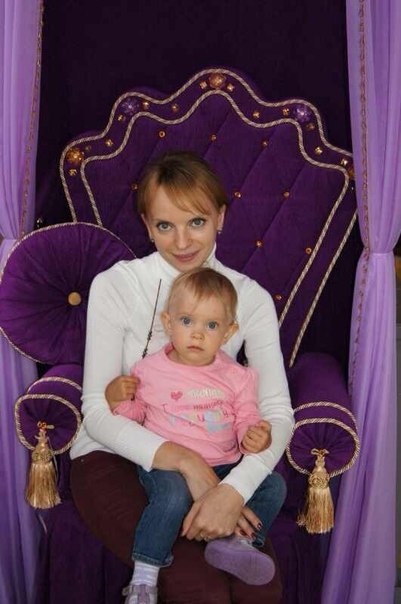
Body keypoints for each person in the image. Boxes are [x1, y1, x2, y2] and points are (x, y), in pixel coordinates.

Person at [69, 151, 294, 604]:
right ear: (147, 225)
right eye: (165, 225)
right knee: (200, 587)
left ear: (220, 218)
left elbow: (276, 412)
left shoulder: (249, 298)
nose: (182, 241)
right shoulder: (116, 285)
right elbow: (96, 410)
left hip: (219, 460)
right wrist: (185, 462)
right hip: (115, 454)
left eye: (197, 222)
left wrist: (234, 490)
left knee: (260, 587)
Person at [107, 267, 275, 602]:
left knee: (274, 486)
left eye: (211, 325)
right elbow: (136, 416)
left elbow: (246, 417)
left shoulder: (237, 376)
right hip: (169, 467)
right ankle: (144, 577)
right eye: (187, 321)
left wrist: (255, 436)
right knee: (172, 496)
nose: (197, 334)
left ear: (228, 332)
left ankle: (237, 543)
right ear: (168, 323)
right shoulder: (149, 370)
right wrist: (116, 400)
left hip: (224, 465)